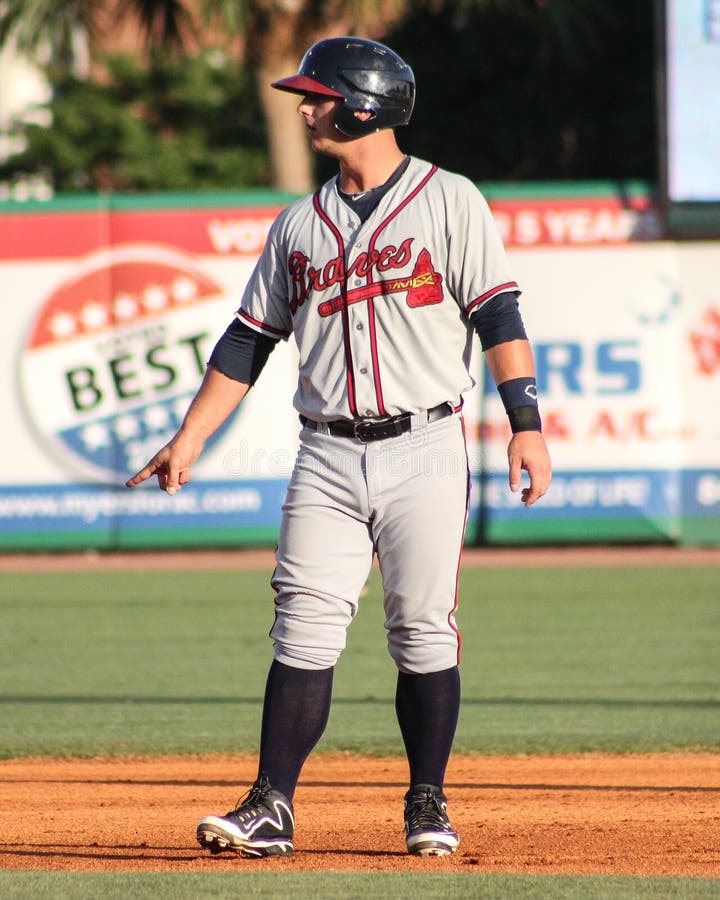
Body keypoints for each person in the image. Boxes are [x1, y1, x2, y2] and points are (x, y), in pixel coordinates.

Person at [126, 35, 551, 859]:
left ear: (362, 103)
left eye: (317, 94)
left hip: (425, 443)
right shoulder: (298, 225)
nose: (304, 105)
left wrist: (525, 423)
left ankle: (426, 802)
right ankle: (270, 805)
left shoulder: (448, 199)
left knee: (423, 630)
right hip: (324, 452)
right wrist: (191, 436)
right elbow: (248, 340)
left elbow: (498, 315)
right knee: (304, 628)